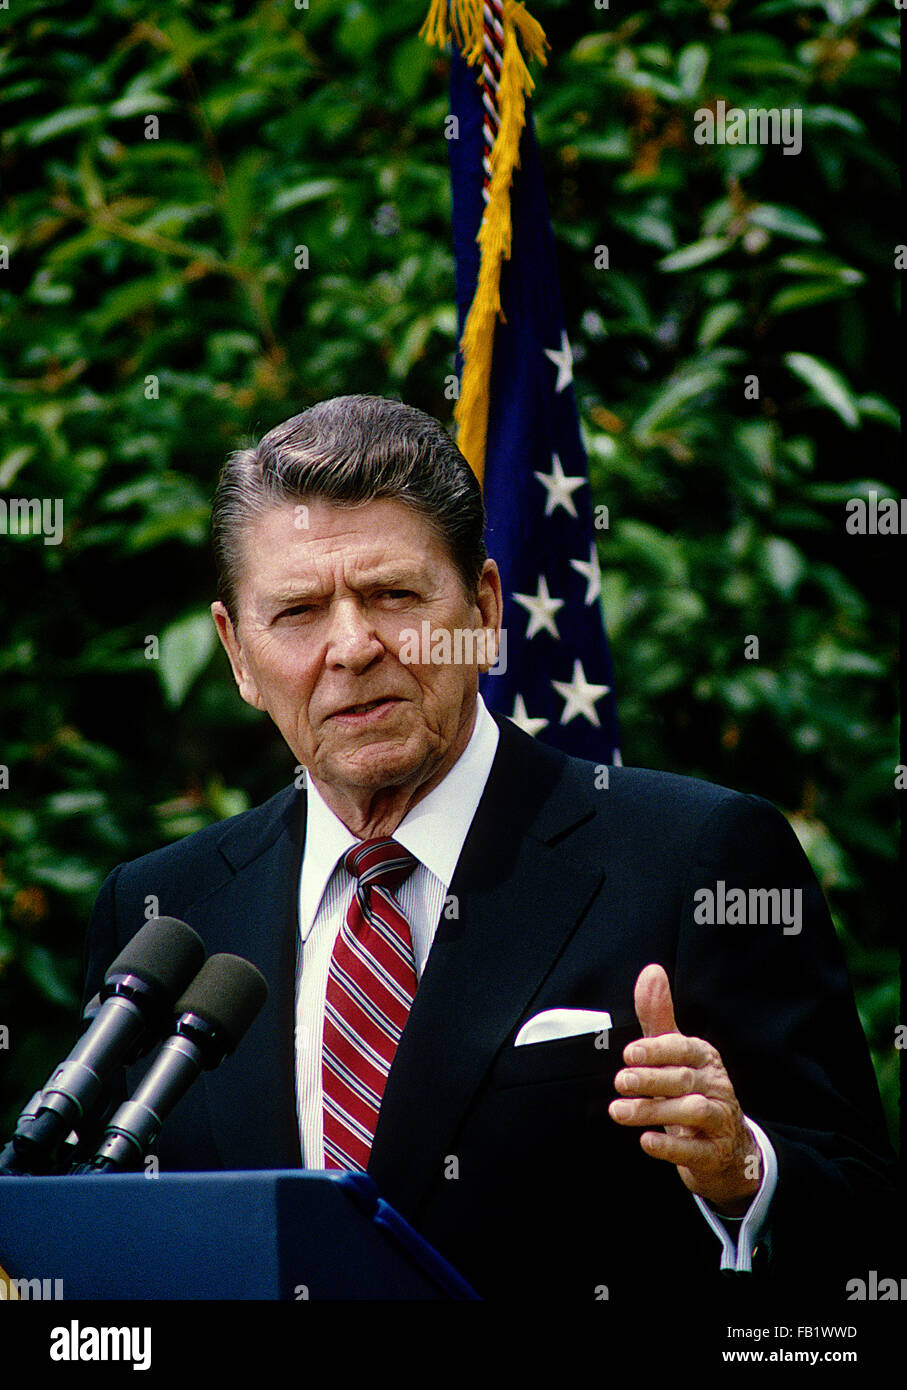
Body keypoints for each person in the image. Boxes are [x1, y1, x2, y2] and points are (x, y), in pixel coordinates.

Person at [83, 395, 898, 1301]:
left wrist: (744, 1169)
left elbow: (868, 1226)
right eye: (300, 612)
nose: (353, 647)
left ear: (481, 608)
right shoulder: (163, 912)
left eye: (394, 595)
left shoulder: (695, 856)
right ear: (237, 655)